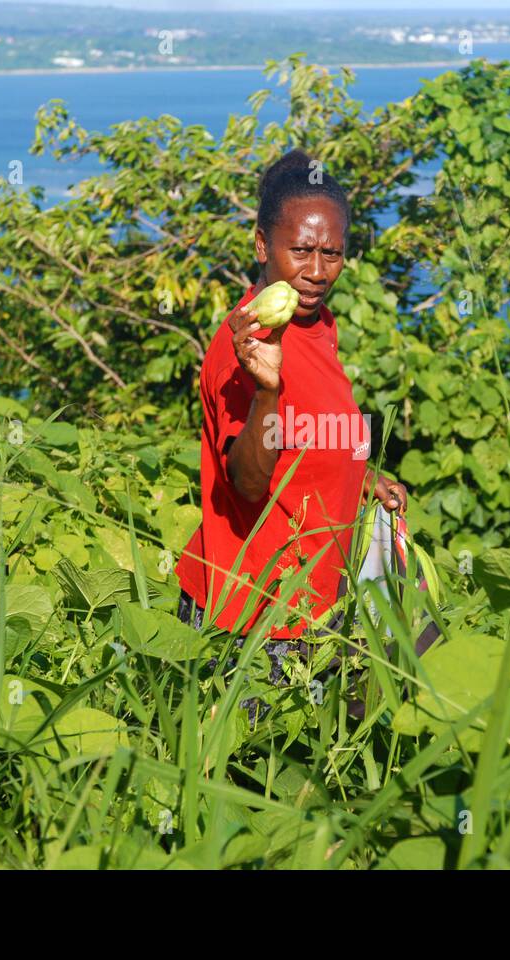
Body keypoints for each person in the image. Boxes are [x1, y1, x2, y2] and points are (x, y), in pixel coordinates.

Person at [173, 148, 409, 715]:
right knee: (255, 791)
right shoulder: (246, 349)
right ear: (261, 246)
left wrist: (361, 473)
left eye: (333, 253)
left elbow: (316, 428)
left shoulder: (316, 324)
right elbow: (249, 483)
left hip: (312, 609)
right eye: (300, 250)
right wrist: (268, 391)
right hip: (254, 622)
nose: (317, 270)